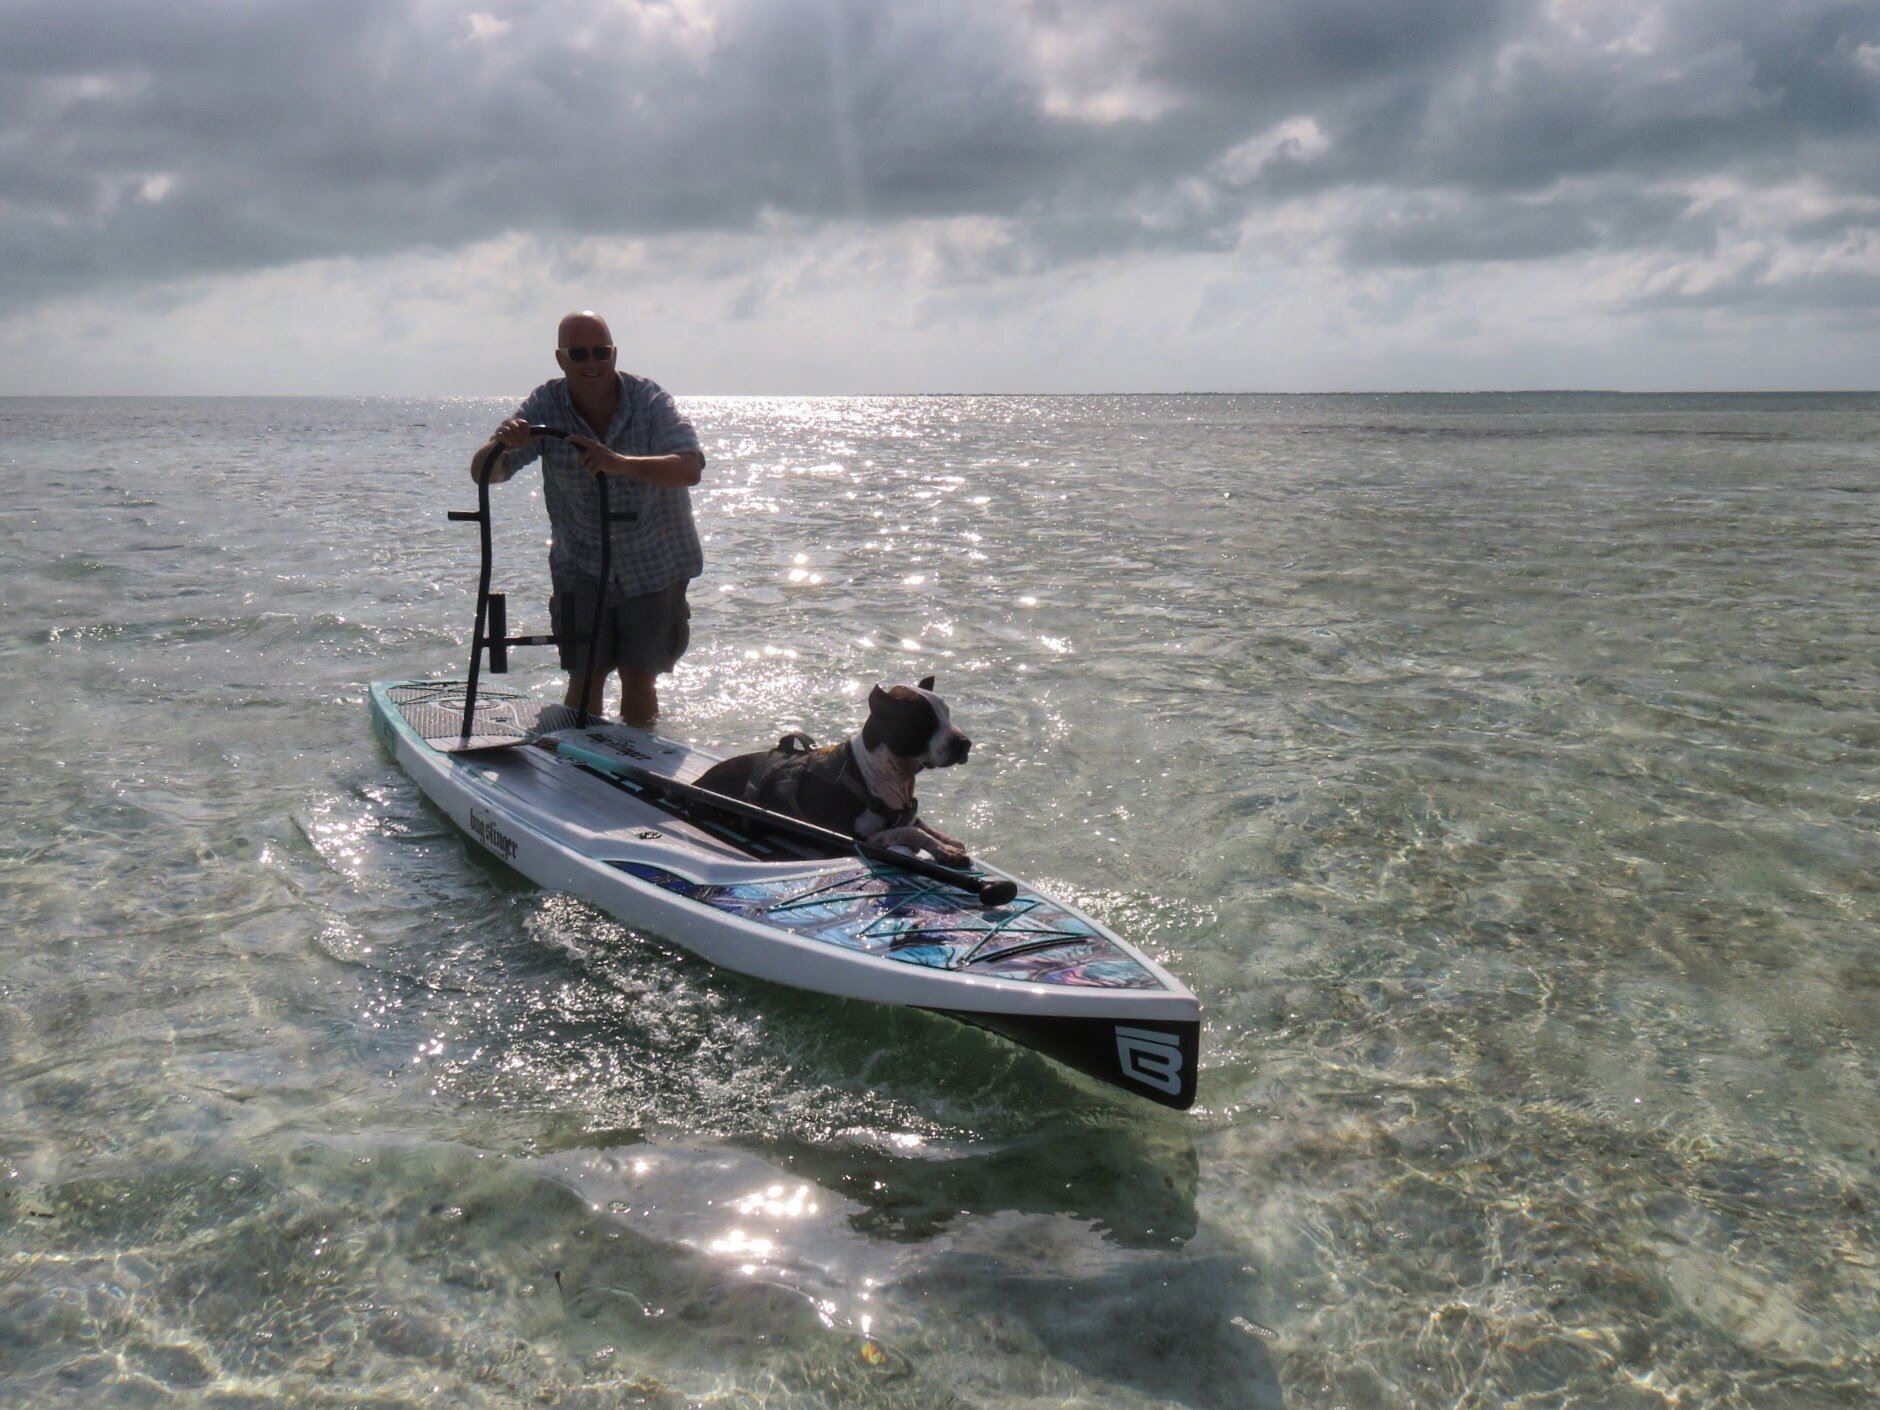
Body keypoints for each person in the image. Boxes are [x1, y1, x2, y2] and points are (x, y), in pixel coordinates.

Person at [471, 311, 705, 727]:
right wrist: (501, 446)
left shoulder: (650, 401)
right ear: (561, 360)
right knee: (585, 677)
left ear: (614, 354)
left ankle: (637, 770)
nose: (591, 363)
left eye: (600, 352)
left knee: (639, 679)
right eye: (579, 354)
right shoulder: (545, 402)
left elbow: (689, 469)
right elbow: (486, 474)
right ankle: (577, 763)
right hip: (580, 563)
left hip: (656, 563)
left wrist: (621, 463)